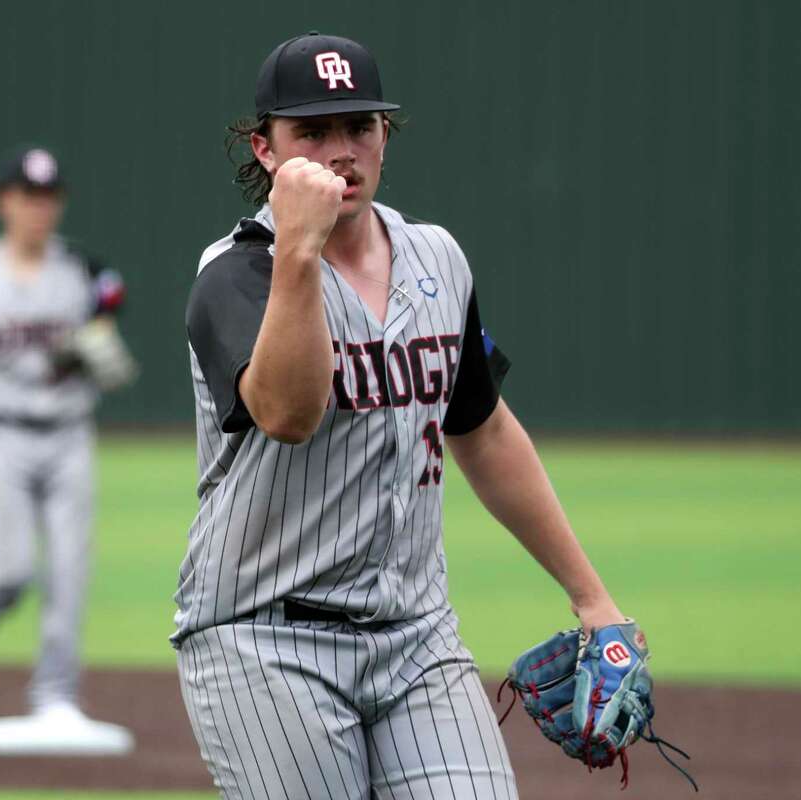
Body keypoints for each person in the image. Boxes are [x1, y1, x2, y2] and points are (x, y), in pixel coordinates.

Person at [175, 33, 633, 797]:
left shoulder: (438, 260)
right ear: (264, 149)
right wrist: (299, 249)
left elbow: (483, 430)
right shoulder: (234, 275)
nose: (340, 152)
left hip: (418, 637)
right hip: (264, 640)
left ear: (387, 133)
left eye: (360, 125)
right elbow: (289, 413)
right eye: (311, 132)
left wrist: (592, 596)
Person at [0, 145, 135, 755]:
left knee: (70, 570)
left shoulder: (85, 273)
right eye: (27, 196)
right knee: (9, 570)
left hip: (69, 432)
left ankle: (56, 696)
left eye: (47, 198)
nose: (38, 209)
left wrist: (94, 349)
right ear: (3, 202)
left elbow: (105, 339)